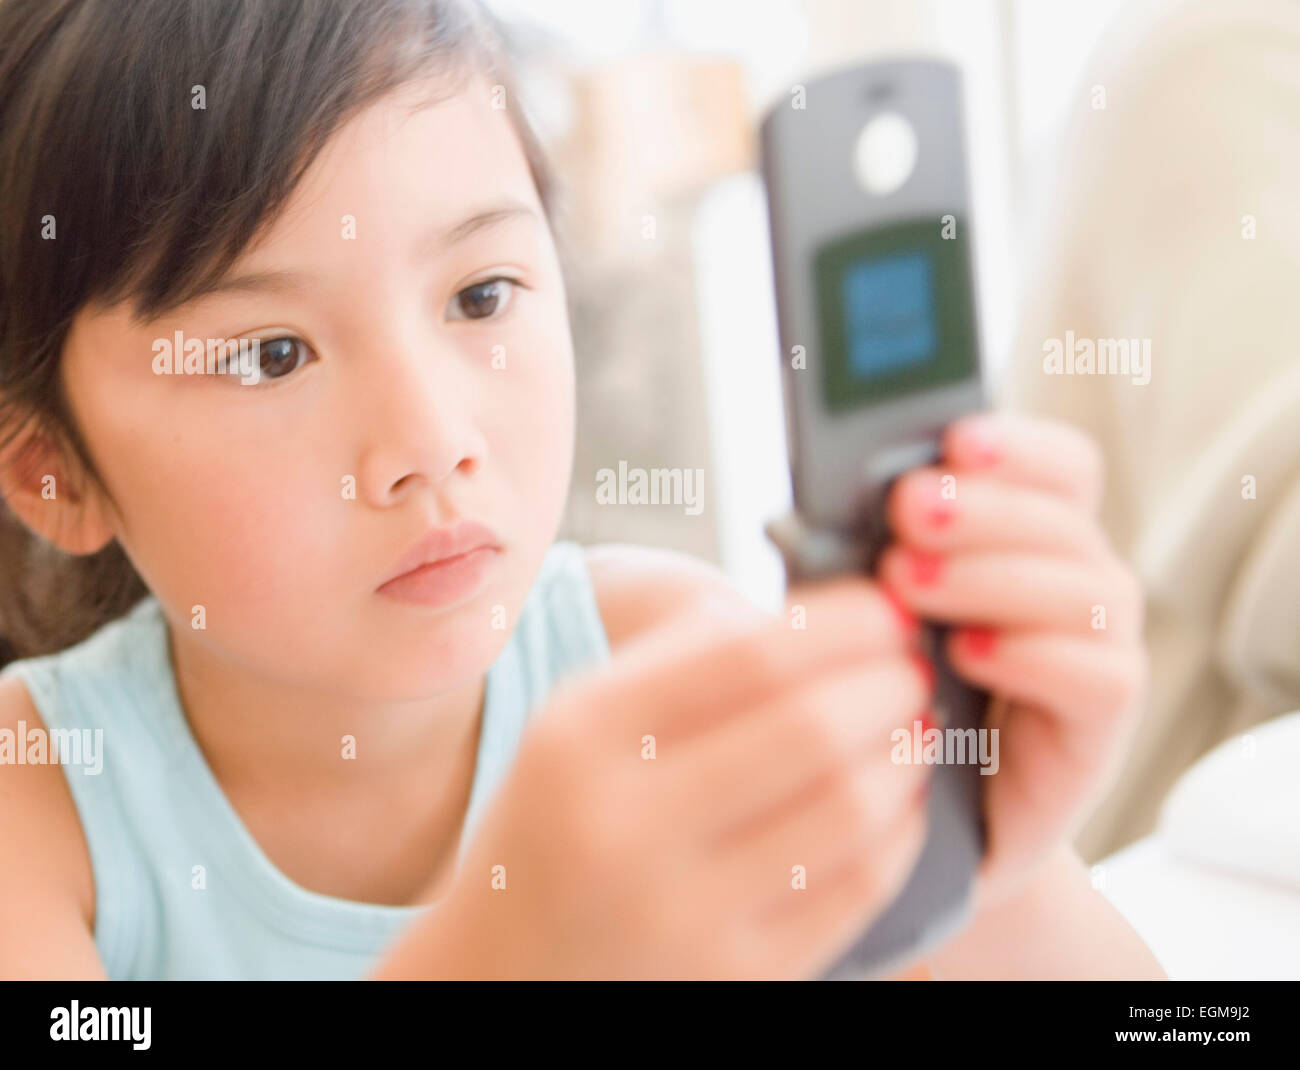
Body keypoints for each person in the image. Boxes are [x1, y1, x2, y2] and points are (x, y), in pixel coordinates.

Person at [0, 0, 1161, 980]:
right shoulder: (40, 812)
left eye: (480, 295)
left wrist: (969, 865)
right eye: (269, 354)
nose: (432, 441)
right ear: (52, 469)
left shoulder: (670, 665)